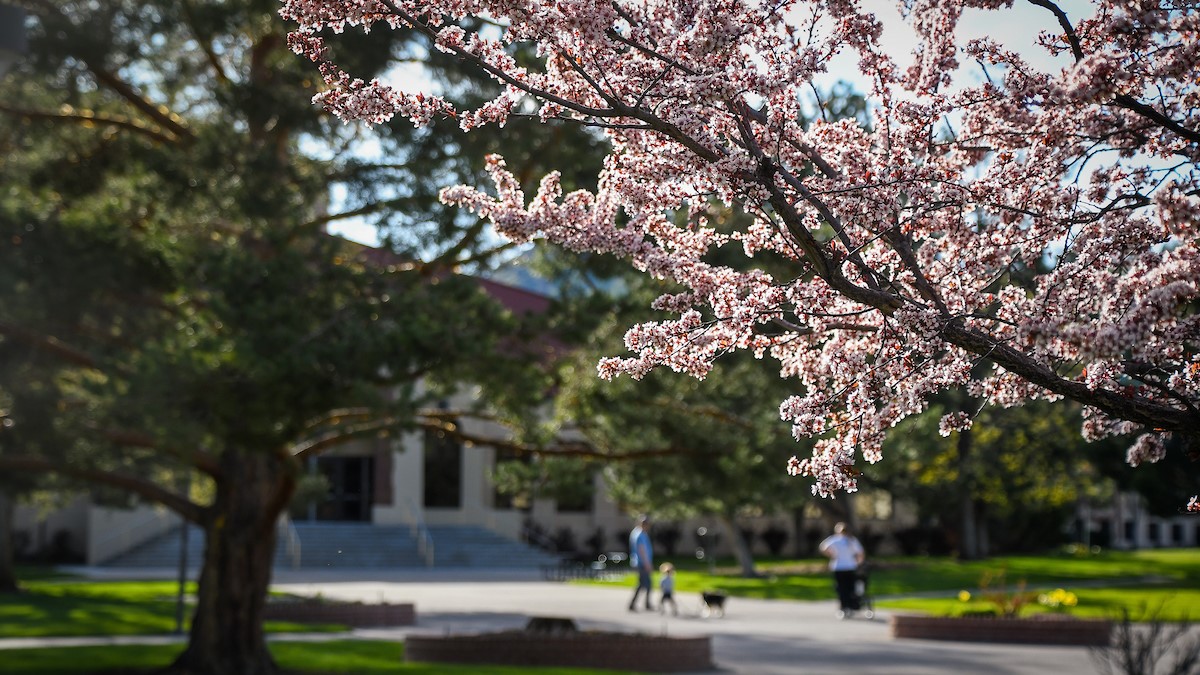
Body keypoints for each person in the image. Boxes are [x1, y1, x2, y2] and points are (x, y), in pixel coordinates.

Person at [818, 522, 865, 619]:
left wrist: (832, 554)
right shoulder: (851, 540)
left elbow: (823, 548)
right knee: (850, 588)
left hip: (839, 567)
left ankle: (844, 607)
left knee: (841, 588)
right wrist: (858, 563)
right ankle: (851, 606)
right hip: (850, 567)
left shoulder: (835, 540)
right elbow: (860, 553)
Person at [628, 514, 654, 611]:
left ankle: (645, 603)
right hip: (641, 563)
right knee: (644, 584)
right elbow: (641, 550)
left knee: (644, 583)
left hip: (640, 562)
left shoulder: (638, 533)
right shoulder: (639, 534)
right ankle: (636, 604)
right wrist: (647, 563)